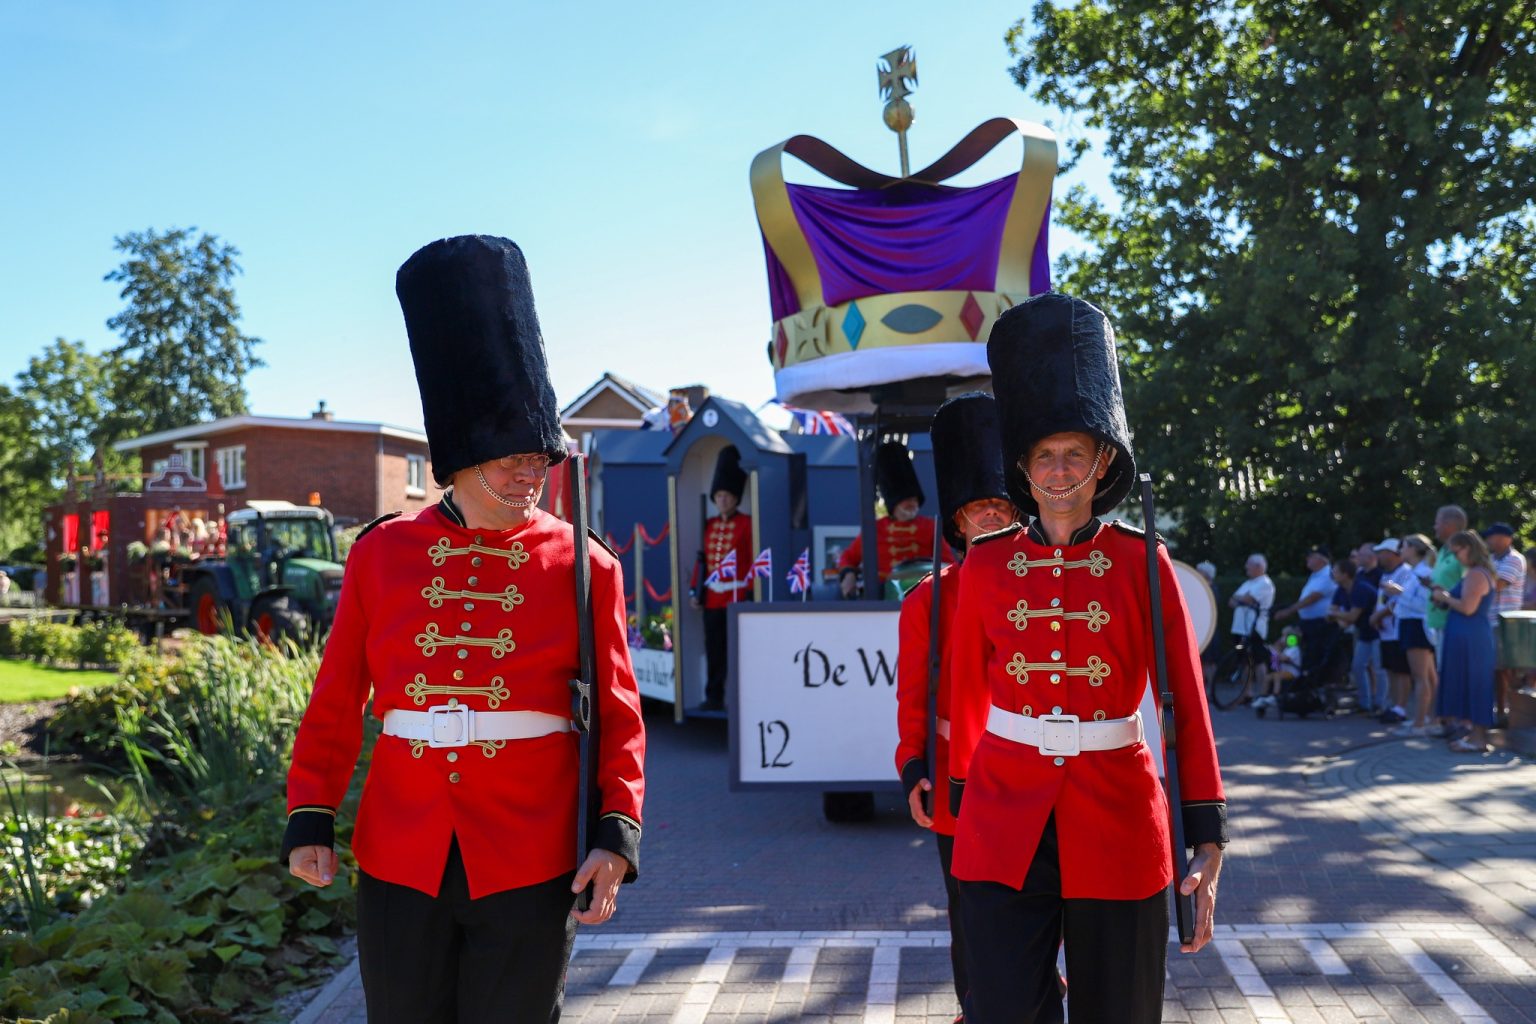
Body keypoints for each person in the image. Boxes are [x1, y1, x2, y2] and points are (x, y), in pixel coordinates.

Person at [282, 235, 647, 1024]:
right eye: (509, 458)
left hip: (531, 851)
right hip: (400, 848)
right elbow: (339, 695)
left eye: (540, 457)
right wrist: (311, 810)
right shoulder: (382, 553)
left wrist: (616, 834)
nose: (530, 474)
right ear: (458, 457)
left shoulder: (586, 564)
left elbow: (620, 714)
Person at [947, 293, 1227, 1024]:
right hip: (1003, 812)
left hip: (1117, 812)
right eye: (1044, 455)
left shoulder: (1142, 560)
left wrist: (1207, 837)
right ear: (1023, 465)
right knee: (1002, 1010)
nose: (1060, 470)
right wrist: (952, 797)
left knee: (1121, 1012)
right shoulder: (984, 565)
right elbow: (965, 695)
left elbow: (1185, 702)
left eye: (1075, 452)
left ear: (1103, 462)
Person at [895, 393, 1018, 1015]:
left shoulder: (1044, 586)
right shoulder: (928, 600)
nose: (990, 518)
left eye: (1000, 507)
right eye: (977, 510)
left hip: (1032, 772)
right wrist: (914, 767)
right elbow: (914, 696)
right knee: (967, 908)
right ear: (959, 524)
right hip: (956, 778)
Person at [839, 441, 953, 596]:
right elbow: (848, 557)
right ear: (894, 503)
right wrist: (848, 574)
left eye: (914, 499)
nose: (912, 503)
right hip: (884, 594)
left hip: (924, 590)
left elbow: (947, 563)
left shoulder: (931, 526)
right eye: (906, 499)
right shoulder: (875, 529)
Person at [690, 445, 753, 712]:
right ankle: (713, 696)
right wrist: (695, 591)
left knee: (736, 650)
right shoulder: (711, 525)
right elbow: (703, 560)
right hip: (713, 599)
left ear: (736, 498)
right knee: (714, 650)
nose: (723, 500)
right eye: (719, 496)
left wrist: (750, 591)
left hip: (736, 596)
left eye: (727, 495)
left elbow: (753, 559)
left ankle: (738, 698)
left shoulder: (747, 524)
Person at [1431, 530, 1498, 753]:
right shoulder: (1475, 573)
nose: (1455, 557)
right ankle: (1473, 736)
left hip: (1471, 638)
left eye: (1456, 552)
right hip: (1466, 636)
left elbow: (1468, 608)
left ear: (1469, 548)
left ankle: (1479, 740)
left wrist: (1444, 597)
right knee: (1466, 683)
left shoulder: (1477, 574)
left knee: (1475, 685)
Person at [1387, 533, 1438, 736]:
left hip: (1417, 626)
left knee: (1421, 677)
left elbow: (1424, 605)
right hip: (1411, 625)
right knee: (1428, 676)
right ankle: (1431, 718)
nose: (1400, 551)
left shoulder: (1425, 573)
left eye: (1404, 546)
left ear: (1414, 549)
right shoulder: (1414, 572)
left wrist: (1399, 593)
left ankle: (1420, 723)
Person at [1483, 522, 1526, 727]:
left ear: (1504, 538)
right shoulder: (1491, 559)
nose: (1488, 541)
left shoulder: (1514, 559)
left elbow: (1496, 585)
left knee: (1504, 670)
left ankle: (1506, 713)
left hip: (1505, 624)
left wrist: (1477, 580)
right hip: (1490, 621)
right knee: (1496, 670)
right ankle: (1500, 712)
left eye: (1491, 537)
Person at [1369, 539, 1414, 724]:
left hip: (1397, 630)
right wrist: (1377, 616)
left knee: (1402, 671)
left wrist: (1378, 616)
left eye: (1382, 552)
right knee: (1391, 670)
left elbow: (1401, 600)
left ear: (1392, 553)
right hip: (1386, 632)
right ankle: (1395, 706)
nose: (1379, 556)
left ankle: (1401, 708)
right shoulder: (1386, 575)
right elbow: (1382, 600)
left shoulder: (1406, 572)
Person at [1327, 558, 1379, 714]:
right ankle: (1364, 704)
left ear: (1345, 574)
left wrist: (1337, 615)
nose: (1332, 574)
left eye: (1335, 571)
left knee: (1379, 669)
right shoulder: (1341, 590)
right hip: (1363, 632)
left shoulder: (1361, 588)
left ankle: (1381, 704)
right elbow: (1331, 615)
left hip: (1379, 632)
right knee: (1358, 666)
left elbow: (1351, 617)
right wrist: (1339, 616)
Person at [1274, 545, 1335, 673]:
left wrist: (1288, 611)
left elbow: (1312, 598)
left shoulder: (1328, 575)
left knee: (1314, 655)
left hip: (1320, 624)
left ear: (1322, 560)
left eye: (1311, 556)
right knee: (1289, 643)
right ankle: (1291, 676)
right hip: (1307, 623)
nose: (1307, 559)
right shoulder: (1315, 575)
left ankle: (1310, 680)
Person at [1427, 505, 1469, 655]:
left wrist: (1445, 597)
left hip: (1454, 624)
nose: (1435, 527)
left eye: (1437, 522)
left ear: (1449, 525)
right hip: (1439, 623)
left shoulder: (1464, 551)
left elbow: (1469, 586)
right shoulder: (1443, 550)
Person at [1249, 628, 1303, 712]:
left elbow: (1284, 658)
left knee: (1277, 676)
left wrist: (1275, 651)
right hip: (1284, 672)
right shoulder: (1286, 649)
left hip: (1292, 673)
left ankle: (1275, 697)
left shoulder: (1294, 649)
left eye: (1284, 636)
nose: (1282, 638)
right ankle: (1263, 697)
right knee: (1268, 677)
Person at [1227, 553, 1275, 644]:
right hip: (1238, 629)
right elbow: (1231, 601)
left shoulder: (1265, 583)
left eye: (1249, 564)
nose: (1246, 567)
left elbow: (1247, 599)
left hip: (1254, 630)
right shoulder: (1247, 583)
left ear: (1258, 567)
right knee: (1239, 652)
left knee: (1252, 653)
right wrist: (1242, 599)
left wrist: (1240, 599)